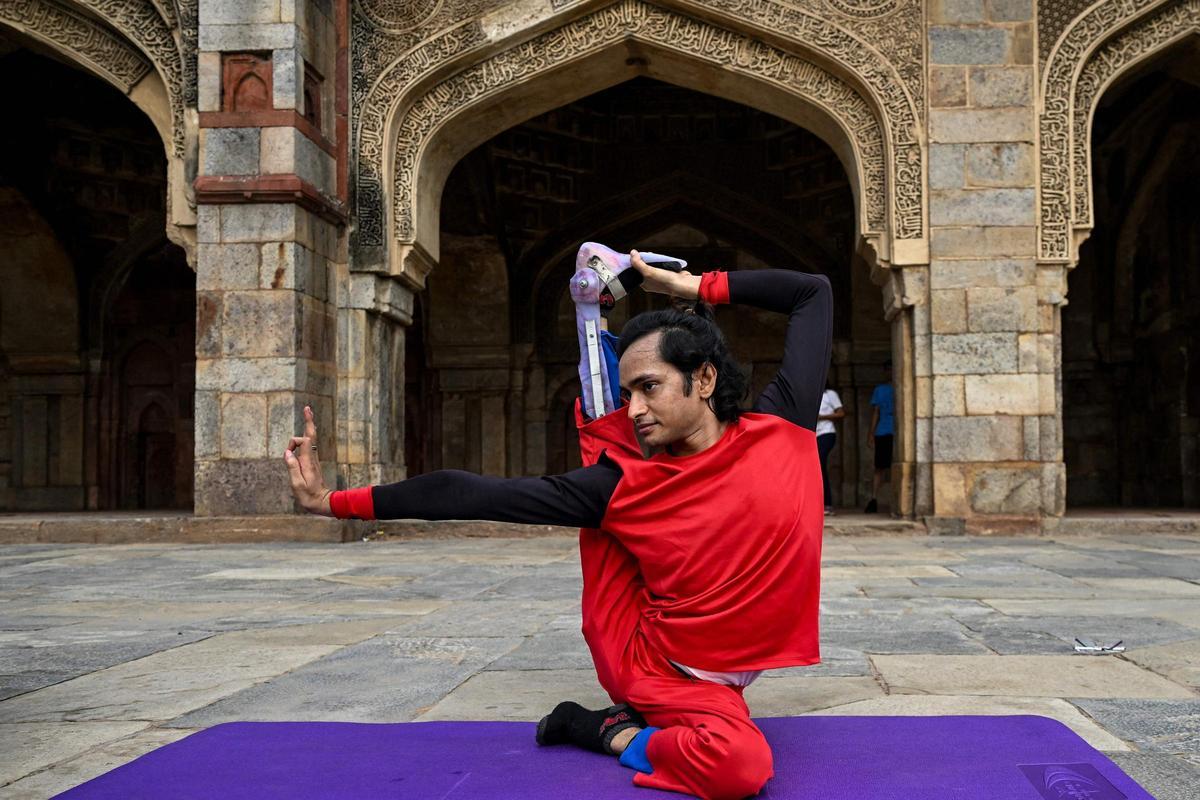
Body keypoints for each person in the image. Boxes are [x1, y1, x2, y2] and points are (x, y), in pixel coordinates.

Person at [283, 253, 832, 800]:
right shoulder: (621, 485)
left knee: (614, 448)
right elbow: (472, 493)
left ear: (704, 377)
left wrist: (694, 286)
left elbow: (812, 291)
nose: (637, 408)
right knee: (738, 767)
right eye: (627, 396)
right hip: (656, 662)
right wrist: (331, 500)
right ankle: (605, 730)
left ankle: (593, 309)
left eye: (649, 387)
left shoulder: (783, 429)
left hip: (722, 662)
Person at [865, 359, 893, 514]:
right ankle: (874, 498)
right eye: (887, 369)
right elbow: (875, 412)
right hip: (883, 431)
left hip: (896, 432)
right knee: (879, 467)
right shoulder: (880, 389)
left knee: (893, 467)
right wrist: (871, 433)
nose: (889, 372)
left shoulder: (902, 386)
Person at [815, 380, 844, 515]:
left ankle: (827, 504)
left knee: (819, 464)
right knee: (815, 468)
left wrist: (822, 417)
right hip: (812, 436)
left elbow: (841, 413)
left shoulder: (830, 394)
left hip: (827, 433)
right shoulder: (809, 395)